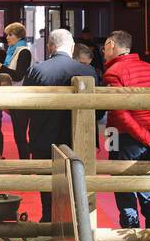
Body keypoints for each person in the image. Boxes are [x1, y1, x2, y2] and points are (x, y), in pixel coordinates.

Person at [24, 29, 98, 222]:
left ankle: (49, 219)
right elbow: (99, 110)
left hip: (43, 136)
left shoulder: (37, 70)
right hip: (78, 138)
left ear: (50, 47)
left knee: (47, 184)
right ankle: (78, 222)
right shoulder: (88, 71)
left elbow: (24, 106)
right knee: (77, 182)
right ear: (72, 47)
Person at [102, 30, 150, 241]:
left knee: (125, 195)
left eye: (105, 46)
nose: (103, 50)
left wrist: (148, 139)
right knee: (149, 195)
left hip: (124, 139)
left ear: (112, 44)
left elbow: (120, 115)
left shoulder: (113, 73)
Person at [2, 22, 33, 161]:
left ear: (19, 36)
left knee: (20, 135)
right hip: (15, 96)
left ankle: (25, 165)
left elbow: (18, 75)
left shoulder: (24, 51)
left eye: (10, 34)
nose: (7, 37)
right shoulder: (13, 51)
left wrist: (0, 66)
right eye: (7, 35)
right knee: (18, 135)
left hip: (22, 98)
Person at [74, 42, 106, 150]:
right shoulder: (90, 72)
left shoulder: (91, 72)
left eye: (88, 65)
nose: (86, 68)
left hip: (86, 126)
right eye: (83, 64)